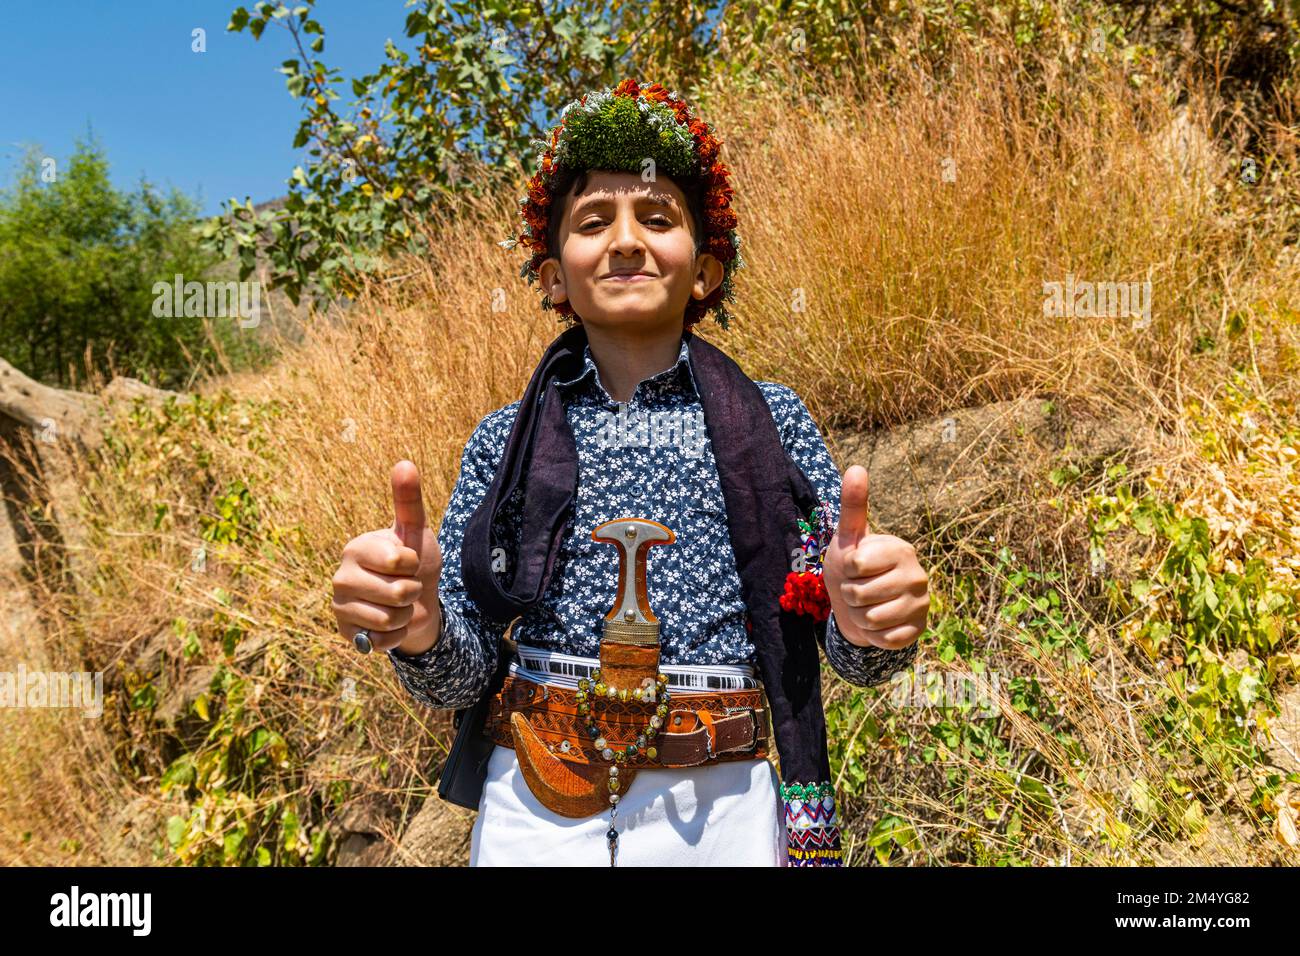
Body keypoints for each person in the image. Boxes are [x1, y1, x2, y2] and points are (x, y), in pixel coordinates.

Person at [330, 78, 929, 866]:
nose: (625, 241)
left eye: (657, 217)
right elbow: (464, 674)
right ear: (551, 278)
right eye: (592, 222)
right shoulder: (505, 442)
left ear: (707, 272)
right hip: (533, 810)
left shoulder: (773, 423)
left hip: (722, 814)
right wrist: (419, 627)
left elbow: (840, 652)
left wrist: (865, 620)